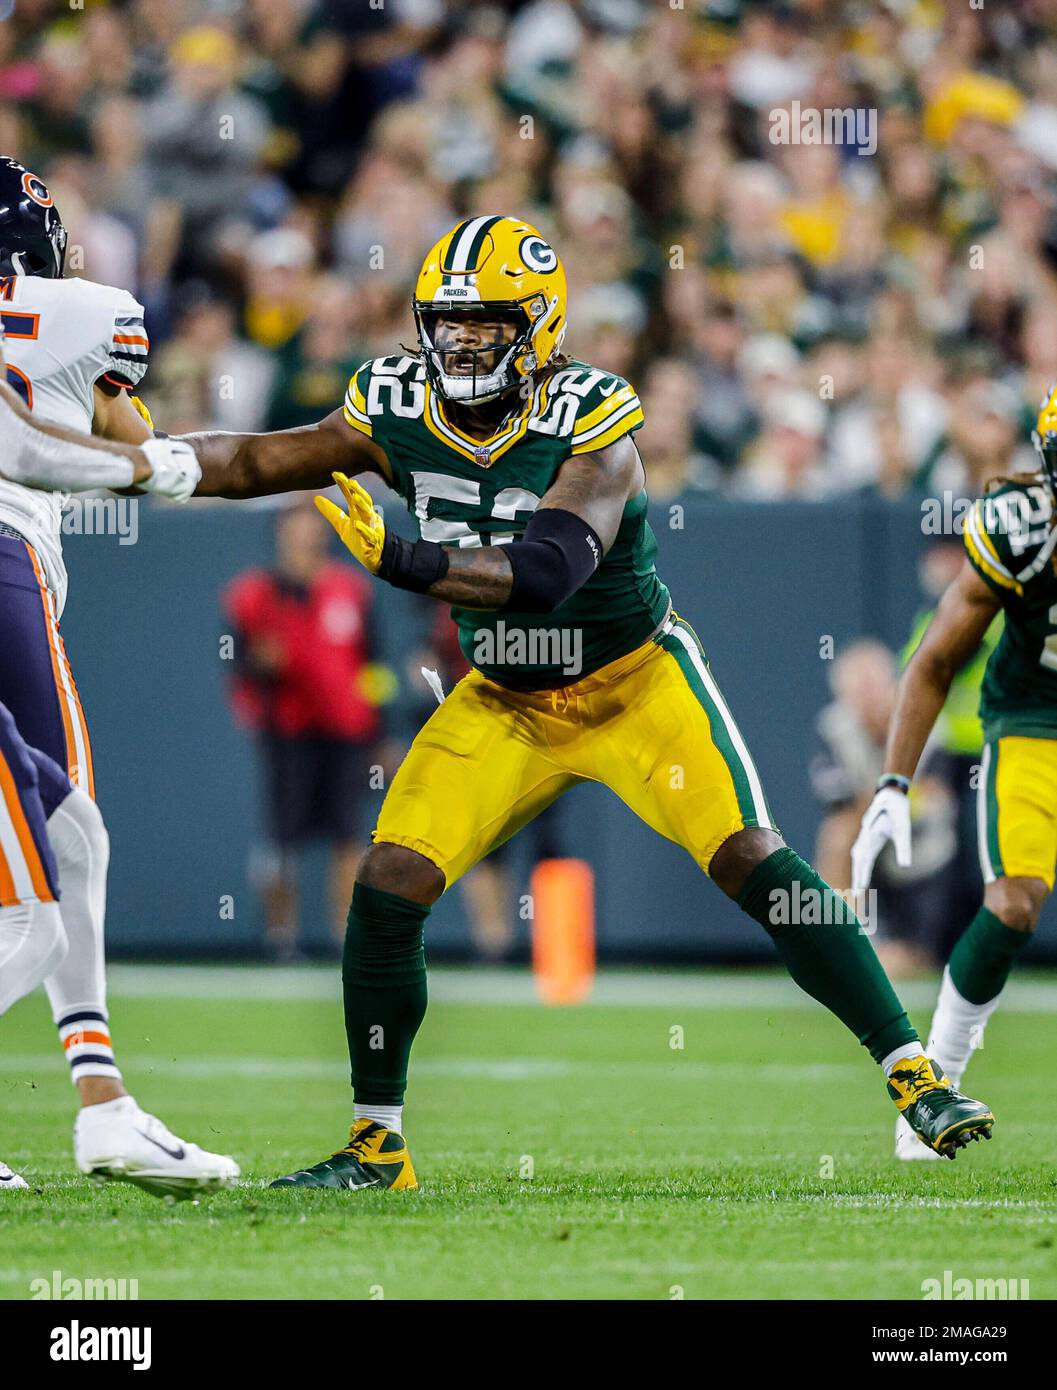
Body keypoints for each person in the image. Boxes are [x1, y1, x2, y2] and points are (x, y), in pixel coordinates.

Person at [182, 215, 995, 1190]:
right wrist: (139, 461)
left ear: (539, 327)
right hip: (505, 697)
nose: (458, 347)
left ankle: (913, 1072)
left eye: (483, 328)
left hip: (631, 683)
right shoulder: (392, 399)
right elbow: (257, 460)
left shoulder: (592, 416)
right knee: (389, 879)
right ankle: (376, 1142)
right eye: (446, 325)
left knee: (755, 860)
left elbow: (543, 573)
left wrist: (404, 558)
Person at [0, 158, 238, 1195]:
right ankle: (103, 1110)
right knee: (41, 893)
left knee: (68, 838)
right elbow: (39, 441)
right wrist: (154, 466)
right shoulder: (80, 309)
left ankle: (106, 1105)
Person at [854, 385, 1057, 1161]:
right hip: (1036, 714)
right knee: (1012, 902)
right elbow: (935, 659)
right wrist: (893, 783)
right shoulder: (1019, 529)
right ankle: (930, 1090)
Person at [223, 501, 382, 960]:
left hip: (347, 731)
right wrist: (260, 666)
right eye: (295, 529)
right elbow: (236, 665)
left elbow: (372, 665)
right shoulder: (253, 594)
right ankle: (280, 937)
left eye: (311, 528)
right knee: (282, 837)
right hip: (287, 729)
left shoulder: (350, 590)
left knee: (349, 835)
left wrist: (380, 731)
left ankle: (345, 937)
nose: (305, 537)